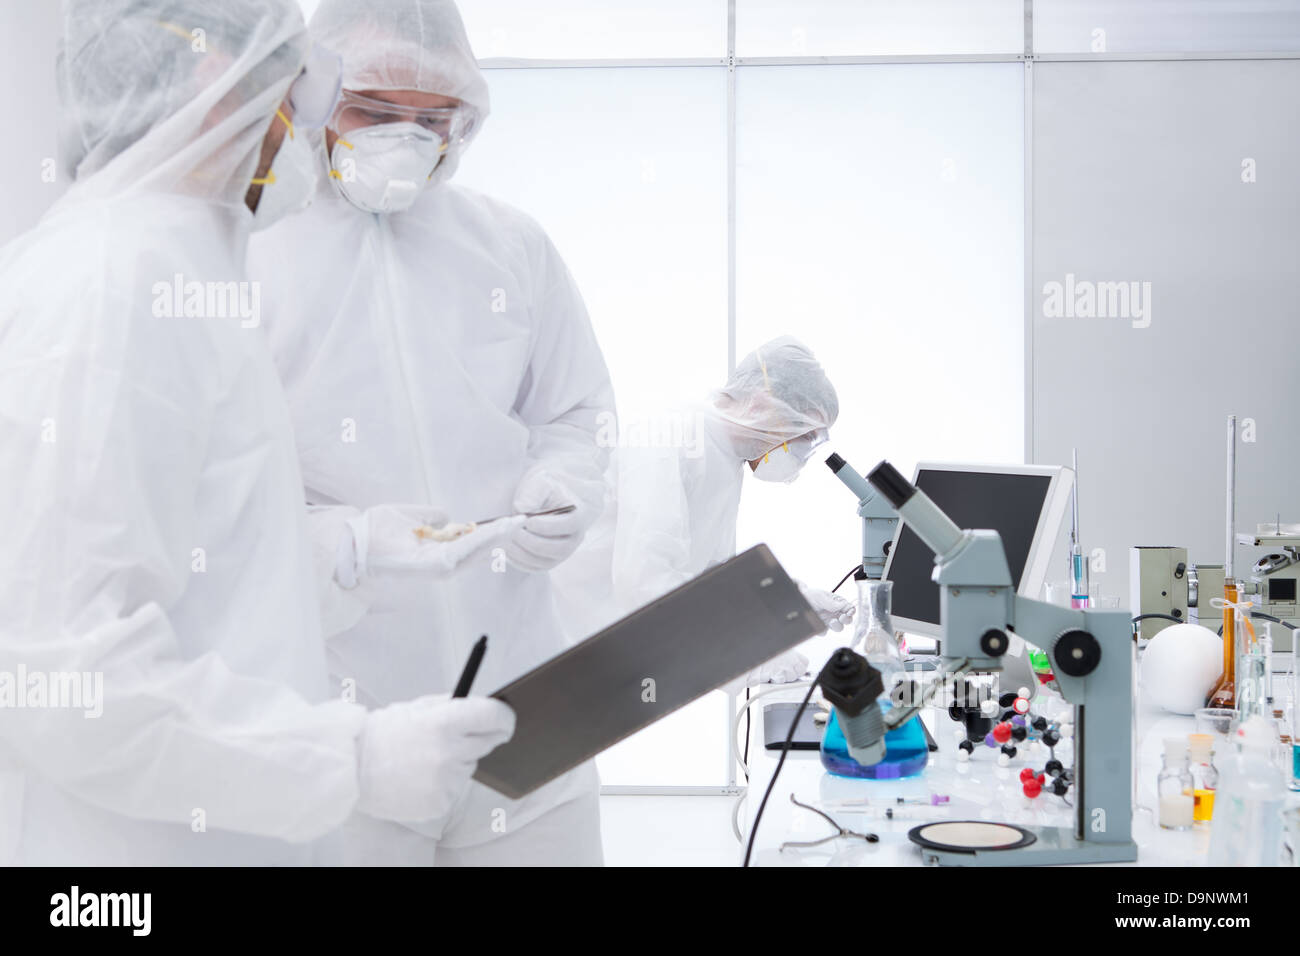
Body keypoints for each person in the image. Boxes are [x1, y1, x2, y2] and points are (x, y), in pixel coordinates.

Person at [0, 0, 513, 866]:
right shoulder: (115, 284)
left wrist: (352, 546)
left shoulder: (173, 265)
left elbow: (198, 565)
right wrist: (348, 761)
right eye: (300, 93)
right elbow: (70, 677)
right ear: (215, 79)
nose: (308, 133)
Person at [250, 0, 614, 866]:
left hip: (527, 709)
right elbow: (214, 505)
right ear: (314, 96)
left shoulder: (510, 247)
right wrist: (347, 544)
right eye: (374, 110)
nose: (404, 138)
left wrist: (566, 487)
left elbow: (575, 412)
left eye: (433, 120)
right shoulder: (247, 254)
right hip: (343, 723)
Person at [553, 336, 853, 683]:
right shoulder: (670, 435)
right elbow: (646, 583)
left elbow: (709, 578)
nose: (803, 451)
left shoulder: (725, 457)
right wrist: (748, 657)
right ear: (758, 404)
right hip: (568, 647)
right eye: (802, 433)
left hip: (611, 657)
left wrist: (789, 600)